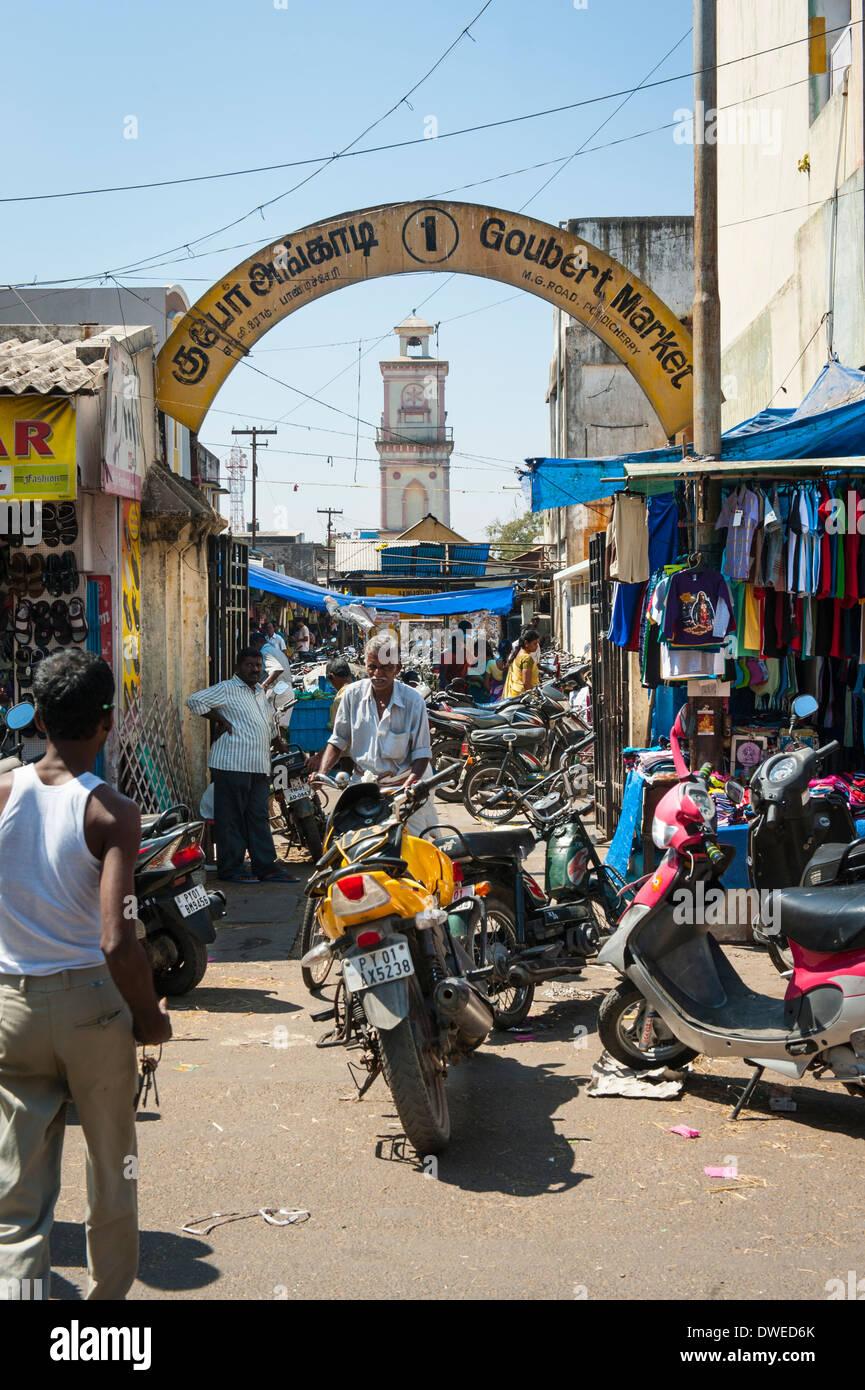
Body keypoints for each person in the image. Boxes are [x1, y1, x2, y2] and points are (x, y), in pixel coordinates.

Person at [0, 650, 171, 1301]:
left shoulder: (2, 793)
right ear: (106, 723)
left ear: (38, 716)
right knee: (111, 1169)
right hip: (92, 1013)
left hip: (12, 1006)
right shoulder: (110, 810)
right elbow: (116, 938)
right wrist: (150, 1015)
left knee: (17, 1194)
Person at [186, 648, 299, 884]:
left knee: (258, 817)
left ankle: (266, 867)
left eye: (258, 665)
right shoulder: (227, 688)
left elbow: (268, 721)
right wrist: (220, 720)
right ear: (238, 667)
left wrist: (278, 742)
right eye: (250, 665)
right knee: (231, 819)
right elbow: (194, 701)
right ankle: (231, 869)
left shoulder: (259, 691)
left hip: (258, 765)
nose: (255, 670)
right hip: (231, 764)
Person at [316, 633, 437, 835]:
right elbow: (338, 741)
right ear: (365, 665)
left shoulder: (413, 701)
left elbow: (422, 754)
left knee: (413, 845)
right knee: (342, 841)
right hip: (362, 786)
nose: (377, 673)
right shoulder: (351, 695)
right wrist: (321, 773)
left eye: (386, 667)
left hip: (403, 787)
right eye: (372, 667)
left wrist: (409, 786)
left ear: (397, 668)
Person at [503, 627, 541, 699]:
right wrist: (534, 697)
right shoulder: (527, 658)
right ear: (526, 643)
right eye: (535, 644)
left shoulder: (519, 653)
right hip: (523, 698)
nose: (536, 647)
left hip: (516, 696)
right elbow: (526, 684)